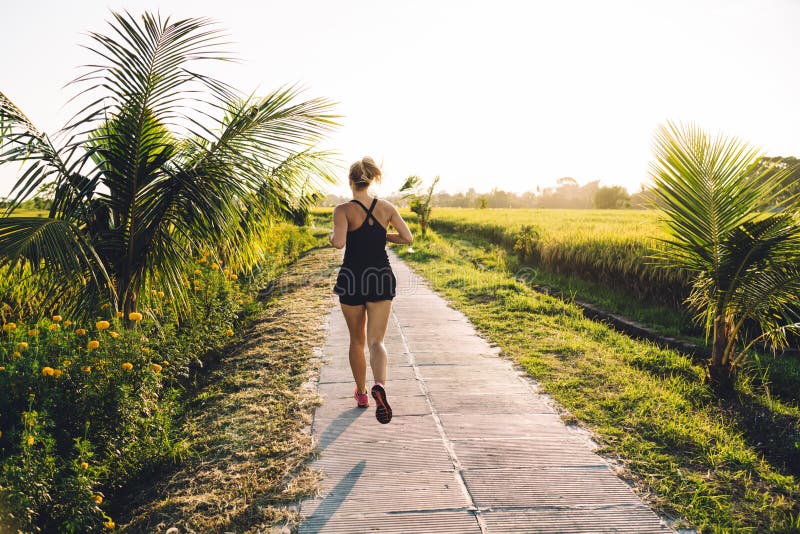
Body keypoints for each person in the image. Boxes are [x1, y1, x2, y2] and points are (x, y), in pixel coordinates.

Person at [329, 157, 413, 424]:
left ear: (351, 181)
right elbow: (407, 237)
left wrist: (333, 236)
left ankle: (363, 394)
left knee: (357, 340)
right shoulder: (387, 207)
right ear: (372, 179)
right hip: (380, 277)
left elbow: (339, 243)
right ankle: (380, 385)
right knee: (377, 341)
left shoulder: (342, 210)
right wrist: (382, 235)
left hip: (352, 277)